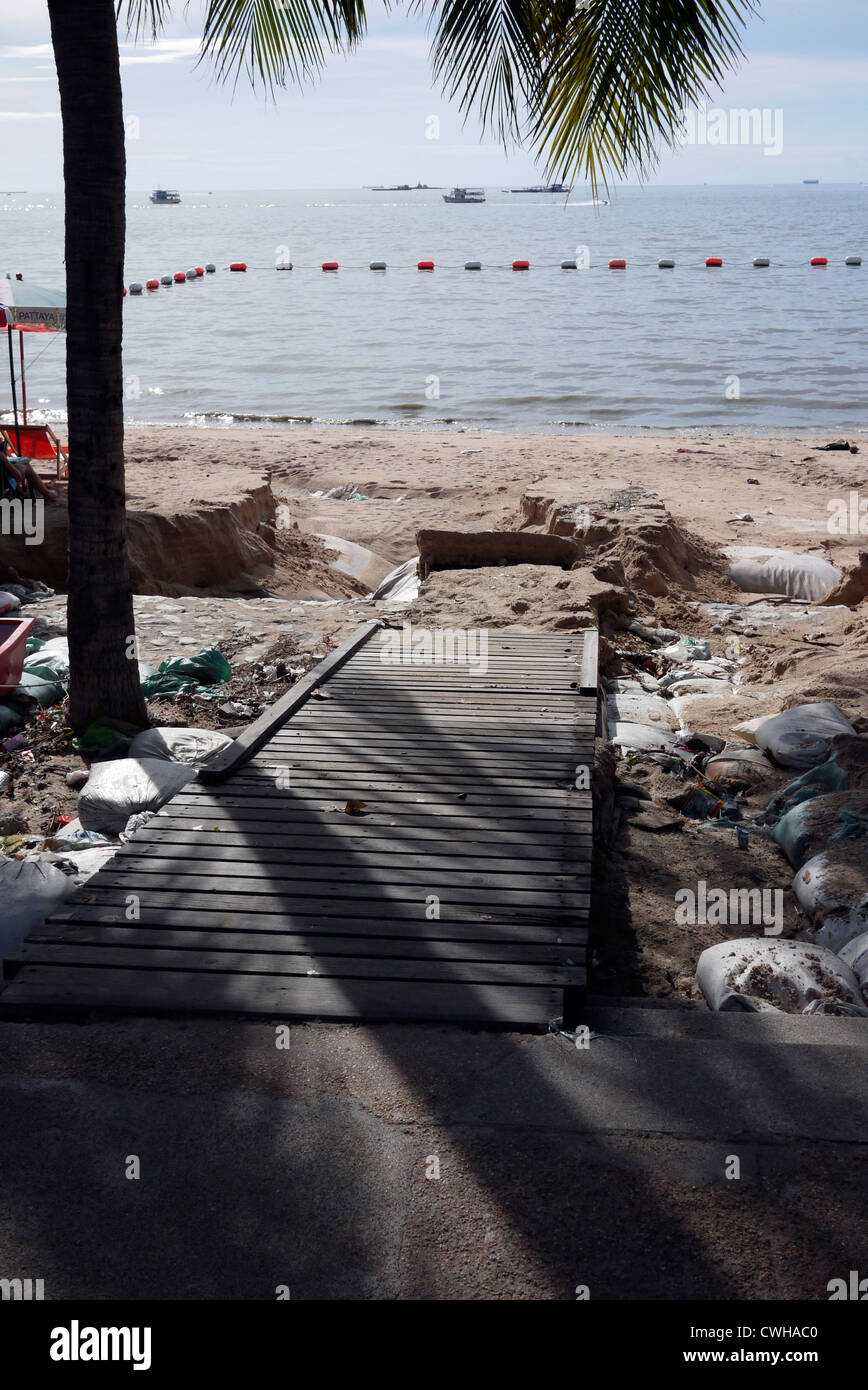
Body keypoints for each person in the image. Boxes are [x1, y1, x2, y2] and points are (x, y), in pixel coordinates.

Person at [0, 435, 58, 501]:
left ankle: (45, 493)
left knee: (23, 463)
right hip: (3, 478)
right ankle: (47, 494)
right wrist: (5, 459)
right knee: (25, 466)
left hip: (4, 471)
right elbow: (18, 476)